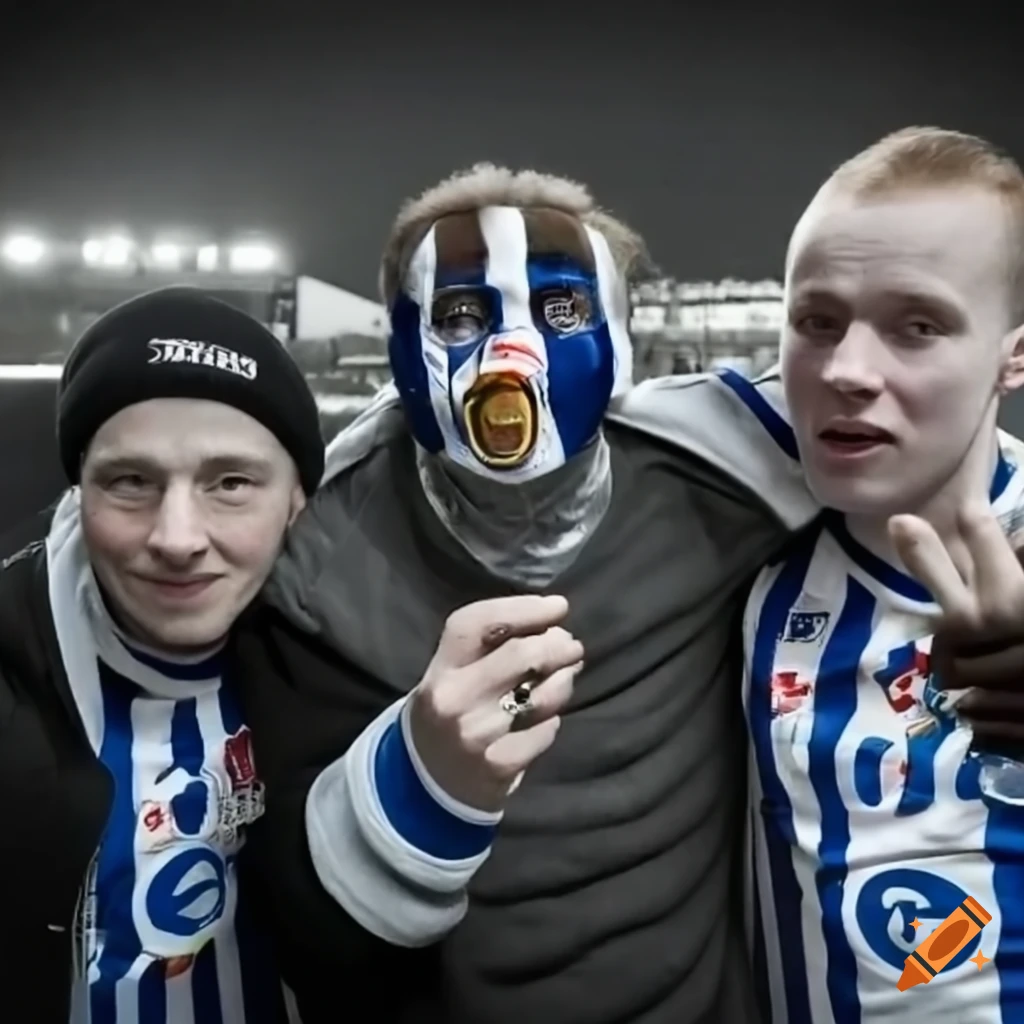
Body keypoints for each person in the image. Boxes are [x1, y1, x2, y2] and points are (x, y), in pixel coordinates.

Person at [237, 158, 1024, 1024]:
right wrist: (419, 782)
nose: (511, 354)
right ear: (400, 345)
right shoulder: (312, 553)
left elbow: (942, 445)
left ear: (619, 335)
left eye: (560, 312)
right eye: (460, 316)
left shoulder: (730, 458)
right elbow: (297, 919)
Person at [743, 127, 1024, 1023]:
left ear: (1015, 356)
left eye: (918, 327)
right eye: (817, 322)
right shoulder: (742, 563)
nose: (847, 371)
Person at [0, 286, 328, 1024]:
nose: (177, 538)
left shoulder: (361, 667)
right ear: (79, 491)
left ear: (298, 498)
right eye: (131, 482)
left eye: (231, 483)